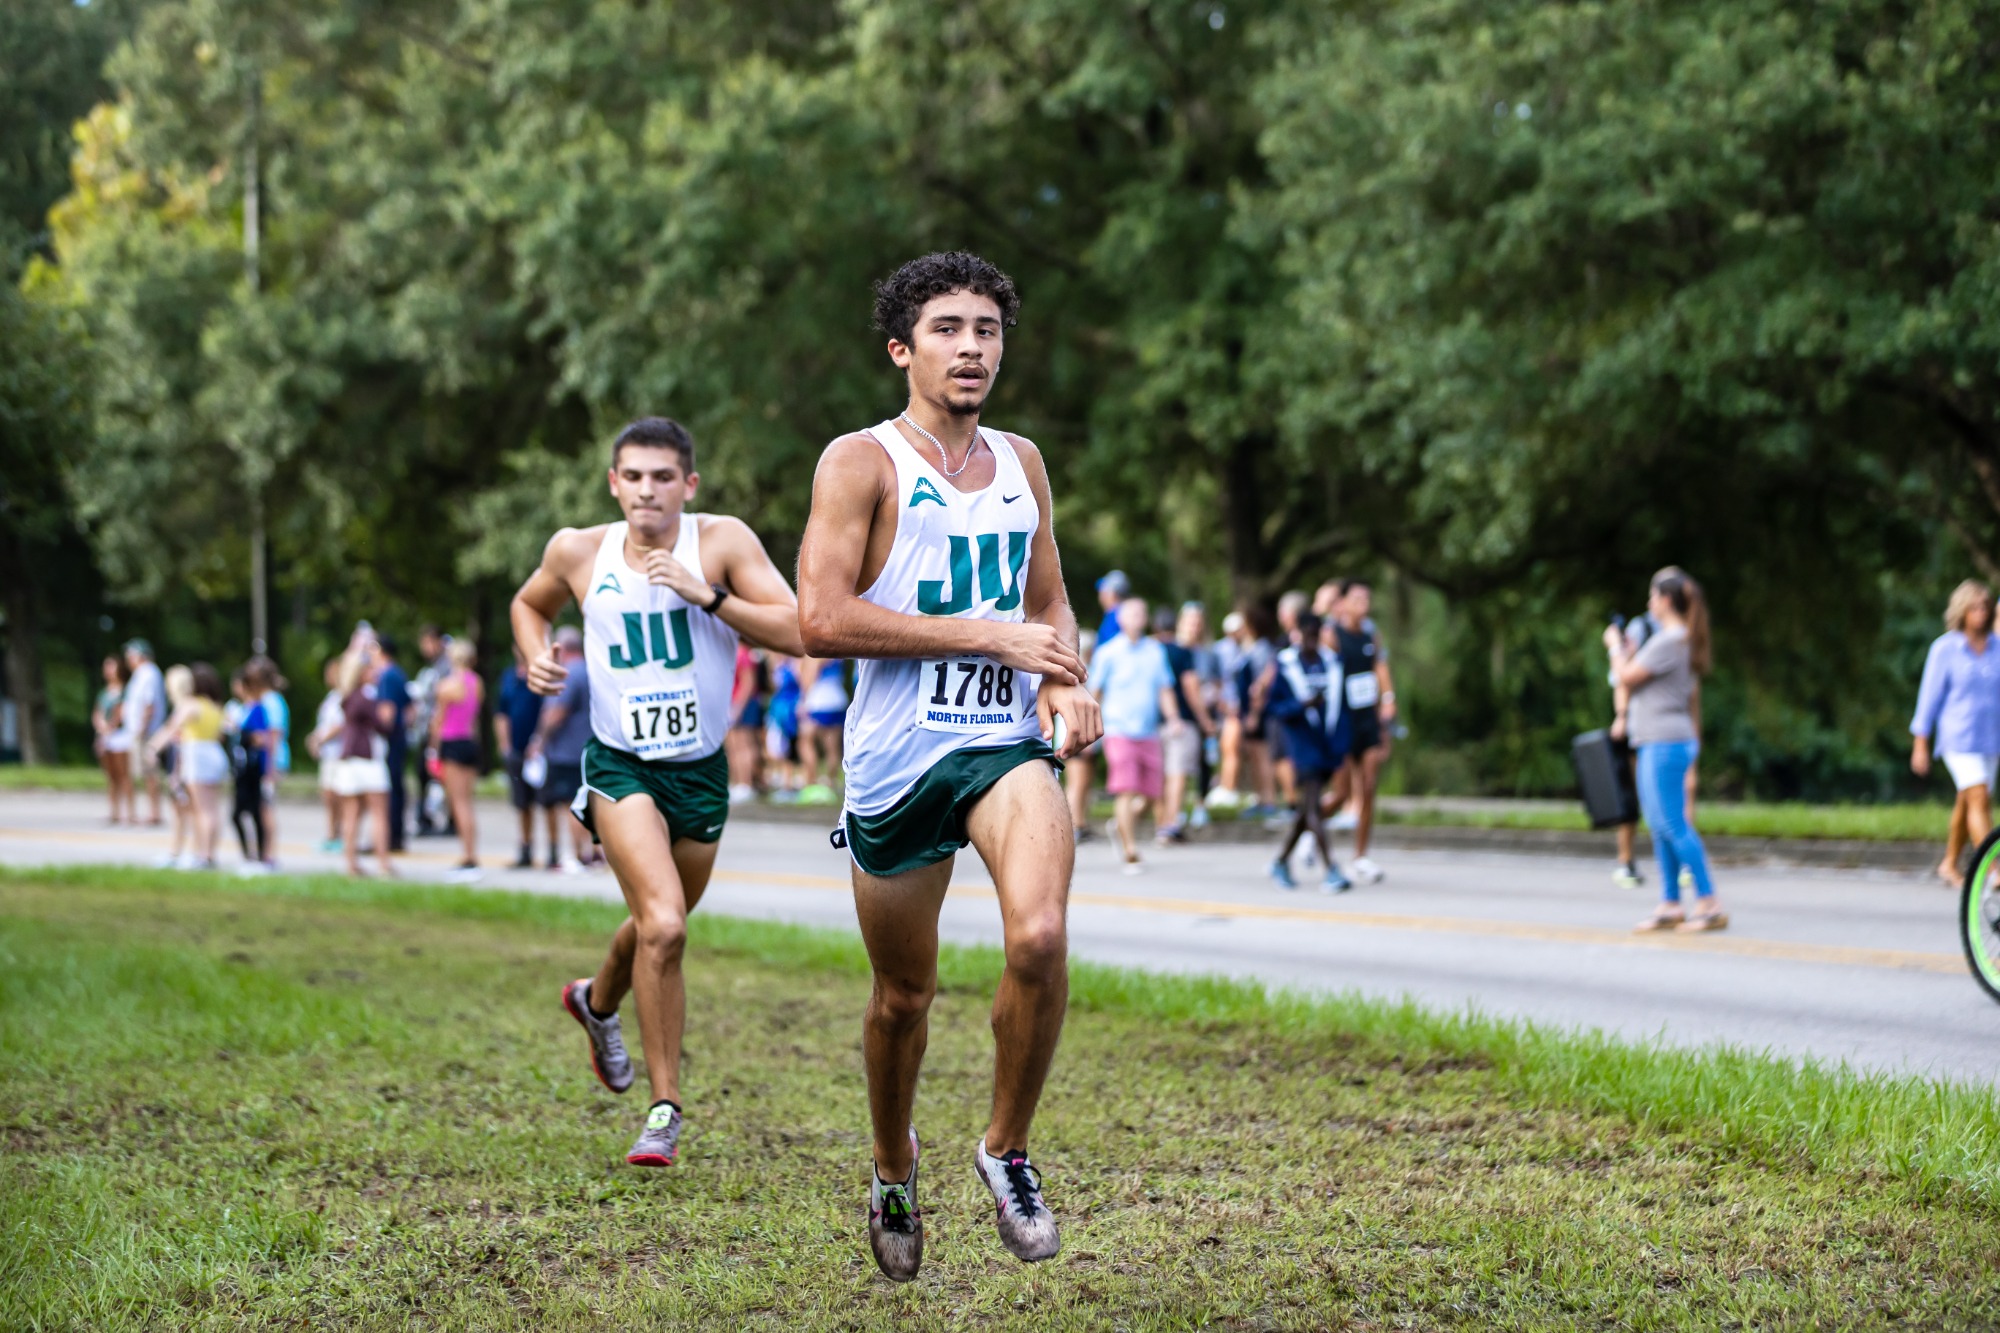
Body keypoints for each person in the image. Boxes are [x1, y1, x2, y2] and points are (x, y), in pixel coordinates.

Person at [796, 250, 1103, 1281]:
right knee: (902, 999)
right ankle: (892, 1163)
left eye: (987, 329)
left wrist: (1057, 673)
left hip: (1001, 743)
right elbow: (821, 618)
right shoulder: (860, 460)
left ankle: (1004, 1148)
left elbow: (1048, 597)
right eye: (946, 330)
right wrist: (990, 636)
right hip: (895, 761)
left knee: (1041, 934)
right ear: (900, 349)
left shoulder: (1022, 459)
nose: (971, 347)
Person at [512, 414, 803, 1173]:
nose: (648, 490)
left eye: (663, 477)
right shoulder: (579, 549)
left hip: (700, 772)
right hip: (621, 766)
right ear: (614, 482)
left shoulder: (723, 542)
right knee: (666, 926)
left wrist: (707, 596)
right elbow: (529, 602)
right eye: (633, 476)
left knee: (651, 924)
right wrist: (534, 651)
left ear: (689, 485)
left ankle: (594, 1000)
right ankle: (665, 1111)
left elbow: (800, 629)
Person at [1606, 567, 1725, 932]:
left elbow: (1624, 677)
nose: (1649, 602)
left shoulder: (1670, 640)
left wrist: (1614, 647)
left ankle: (1708, 902)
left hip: (1665, 741)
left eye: (1653, 595)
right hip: (1655, 740)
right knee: (1659, 826)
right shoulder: (1674, 639)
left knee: (1674, 823)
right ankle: (1671, 902)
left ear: (1666, 600)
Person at [1910, 579, 2000, 886]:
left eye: (1985, 607)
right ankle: (1994, 868)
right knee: (1978, 796)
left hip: (1990, 739)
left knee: (1969, 799)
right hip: (1958, 739)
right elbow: (1928, 699)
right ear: (1961, 611)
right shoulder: (1945, 649)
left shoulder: (1996, 648)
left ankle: (1949, 863)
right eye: (1974, 607)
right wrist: (1920, 742)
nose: (1981, 613)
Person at [1086, 598, 1176, 869]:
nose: (1139, 617)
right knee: (1126, 789)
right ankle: (1130, 850)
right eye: (1134, 613)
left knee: (1151, 794)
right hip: (1118, 730)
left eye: (1142, 613)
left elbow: (1164, 689)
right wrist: (1090, 730)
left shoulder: (1155, 651)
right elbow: (1095, 693)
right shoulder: (1108, 652)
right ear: (1122, 620)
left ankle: (1121, 825)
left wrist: (1173, 718)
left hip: (1147, 732)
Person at [1264, 612, 1351, 891]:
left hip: (1327, 743)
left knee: (1307, 810)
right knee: (1313, 806)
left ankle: (1281, 861)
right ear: (1298, 633)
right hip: (1302, 744)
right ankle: (1332, 869)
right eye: (1308, 634)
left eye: (1317, 634)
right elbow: (1274, 708)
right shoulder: (1287, 664)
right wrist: (1302, 705)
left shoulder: (1331, 663)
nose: (1313, 640)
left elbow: (1343, 705)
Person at [1326, 579, 1394, 885]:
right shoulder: (1332, 635)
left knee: (1368, 786)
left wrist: (1388, 702)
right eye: (1356, 599)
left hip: (1367, 719)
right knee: (1340, 794)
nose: (1362, 605)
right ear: (1342, 604)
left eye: (1366, 599)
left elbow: (1380, 670)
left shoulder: (1371, 635)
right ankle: (1307, 830)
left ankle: (1360, 856)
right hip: (1342, 721)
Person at [1064, 569, 1129, 841]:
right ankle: (1074, 824)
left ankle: (1075, 824)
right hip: (1097, 703)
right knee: (1079, 769)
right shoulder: (1114, 620)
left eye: (1104, 591)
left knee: (1081, 769)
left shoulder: (1115, 620)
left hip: (1098, 704)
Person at [525, 626, 593, 872]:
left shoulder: (568, 674)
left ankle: (577, 856)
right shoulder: (592, 669)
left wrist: (538, 741)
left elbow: (555, 713)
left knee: (571, 805)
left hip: (567, 752)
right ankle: (592, 853)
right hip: (589, 749)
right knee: (586, 802)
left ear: (561, 648)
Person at [150, 662, 229, 870]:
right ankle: (209, 854)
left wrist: (154, 747)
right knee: (212, 809)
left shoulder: (191, 705)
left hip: (197, 754)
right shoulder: (215, 707)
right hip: (215, 753)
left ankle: (201, 855)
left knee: (200, 809)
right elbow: (222, 734)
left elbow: (172, 727)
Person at [1152, 604, 1215, 841]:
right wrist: (1206, 720)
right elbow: (1191, 688)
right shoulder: (1183, 652)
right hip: (1183, 720)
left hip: (1154, 721)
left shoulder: (1150, 649)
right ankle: (1170, 825)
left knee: (1161, 775)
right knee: (1177, 774)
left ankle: (1161, 822)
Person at [332, 648, 396, 878]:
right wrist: (388, 716)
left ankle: (351, 863)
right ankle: (383, 863)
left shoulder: (347, 697)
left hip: (348, 760)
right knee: (379, 812)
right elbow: (383, 726)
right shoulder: (367, 697)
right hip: (368, 760)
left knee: (351, 814)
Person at [431, 638, 485, 882]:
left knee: (458, 802)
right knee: (468, 802)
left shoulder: (446, 686)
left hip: (452, 742)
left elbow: (438, 721)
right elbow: (473, 718)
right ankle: (471, 852)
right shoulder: (476, 683)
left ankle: (468, 856)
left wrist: (433, 750)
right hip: (470, 742)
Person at [496, 645, 547, 869]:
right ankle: (526, 848)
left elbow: (550, 709)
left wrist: (540, 741)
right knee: (522, 803)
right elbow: (501, 712)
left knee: (548, 802)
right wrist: (504, 744)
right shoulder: (508, 677)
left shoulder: (542, 675)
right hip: (516, 748)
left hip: (539, 749)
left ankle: (554, 851)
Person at [226, 667, 273, 869]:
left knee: (252, 812)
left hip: (252, 769)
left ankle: (258, 857)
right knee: (240, 813)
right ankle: (250, 855)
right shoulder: (241, 708)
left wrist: (241, 731)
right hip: (241, 768)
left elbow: (263, 739)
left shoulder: (257, 709)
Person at [122, 639, 168, 825]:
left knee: (150, 772)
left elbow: (149, 705)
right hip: (140, 730)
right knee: (144, 772)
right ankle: (149, 811)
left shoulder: (149, 673)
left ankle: (154, 812)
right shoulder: (141, 674)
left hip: (146, 731)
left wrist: (142, 728)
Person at [374, 634, 412, 851]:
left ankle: (390, 836)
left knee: (388, 787)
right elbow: (409, 709)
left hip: (390, 739)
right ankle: (396, 834)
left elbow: (386, 713)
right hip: (400, 737)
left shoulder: (386, 676)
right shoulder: (399, 673)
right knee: (397, 785)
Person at [305, 655, 348, 851]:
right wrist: (314, 738)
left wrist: (321, 739)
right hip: (329, 753)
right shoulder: (331, 697)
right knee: (328, 796)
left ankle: (342, 834)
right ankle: (331, 834)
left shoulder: (344, 696)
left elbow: (340, 725)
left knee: (338, 796)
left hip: (339, 752)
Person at [409, 626, 448, 837]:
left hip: (437, 731)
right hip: (426, 730)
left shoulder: (445, 667)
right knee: (423, 776)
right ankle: (425, 817)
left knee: (437, 776)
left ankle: (443, 819)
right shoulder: (432, 668)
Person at [797, 656, 849, 803]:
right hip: (837, 700)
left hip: (818, 702)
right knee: (832, 747)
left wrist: (803, 700)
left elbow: (809, 676)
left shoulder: (816, 651)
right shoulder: (837, 651)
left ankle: (811, 783)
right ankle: (830, 784)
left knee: (805, 742)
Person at [93, 655, 133, 824]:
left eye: (111, 666)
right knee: (110, 776)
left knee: (123, 774)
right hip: (105, 736)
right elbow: (97, 712)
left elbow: (120, 713)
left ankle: (131, 812)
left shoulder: (125, 690)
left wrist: (108, 728)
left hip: (119, 736)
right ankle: (114, 811)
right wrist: (101, 727)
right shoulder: (104, 692)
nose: (108, 670)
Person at [725, 644, 766, 803]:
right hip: (733, 704)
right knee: (733, 746)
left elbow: (748, 683)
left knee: (744, 745)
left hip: (744, 705)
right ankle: (737, 782)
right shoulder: (732, 651)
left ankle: (746, 783)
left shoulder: (743, 654)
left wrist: (738, 707)